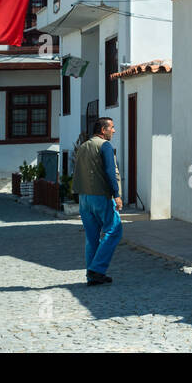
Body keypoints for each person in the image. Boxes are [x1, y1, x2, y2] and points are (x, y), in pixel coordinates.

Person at [75, 116, 123, 285]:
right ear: (103, 130)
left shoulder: (83, 146)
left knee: (91, 237)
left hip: (84, 198)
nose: (114, 130)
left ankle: (92, 276)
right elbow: (110, 171)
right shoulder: (105, 146)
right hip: (101, 196)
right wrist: (116, 194)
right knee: (114, 230)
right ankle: (97, 269)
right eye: (112, 127)